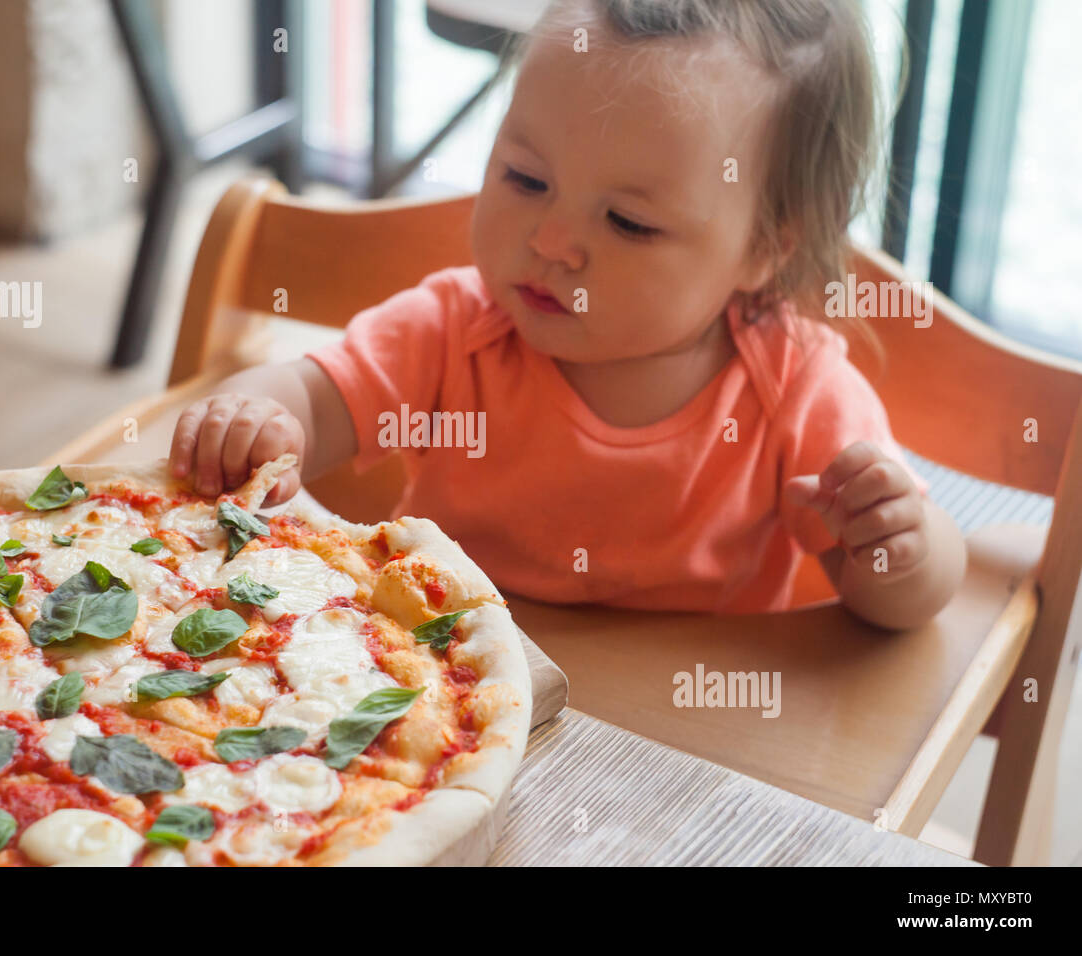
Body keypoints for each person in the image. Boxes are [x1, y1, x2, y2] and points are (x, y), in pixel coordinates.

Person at [169, 0, 967, 629]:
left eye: (628, 224)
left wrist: (898, 549)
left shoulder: (795, 391)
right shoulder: (455, 327)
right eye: (524, 178)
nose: (552, 241)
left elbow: (896, 603)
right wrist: (257, 417)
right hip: (440, 692)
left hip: (676, 747)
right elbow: (313, 399)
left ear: (765, 250)